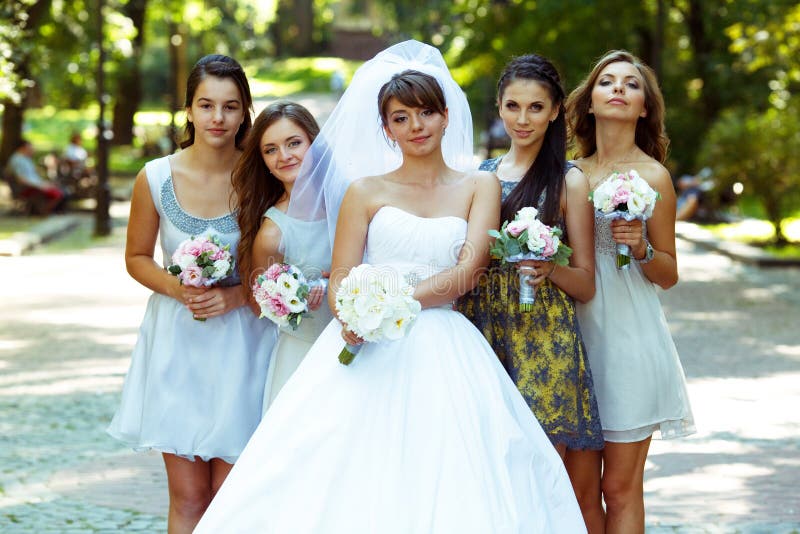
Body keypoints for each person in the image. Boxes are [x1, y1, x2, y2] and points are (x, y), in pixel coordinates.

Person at [194, 41, 586, 533]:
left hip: (446, 345)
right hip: (368, 344)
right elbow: (340, 276)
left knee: (447, 470)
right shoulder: (365, 191)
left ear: (445, 116)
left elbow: (468, 272)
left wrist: (391, 302)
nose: (415, 127)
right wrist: (352, 314)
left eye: (424, 113)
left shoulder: (476, 186)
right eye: (400, 118)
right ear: (386, 128)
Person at [106, 54, 275, 533]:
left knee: (231, 493)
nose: (217, 118)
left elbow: (287, 259)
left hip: (245, 346)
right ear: (189, 110)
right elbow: (137, 257)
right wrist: (177, 289)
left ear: (245, 113)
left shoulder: (260, 176)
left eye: (230, 106)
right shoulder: (155, 177)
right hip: (178, 347)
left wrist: (239, 296)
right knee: (189, 495)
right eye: (206, 105)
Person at [456, 53, 604, 523]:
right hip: (484, 335)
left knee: (546, 478)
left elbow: (586, 284)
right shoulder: (481, 176)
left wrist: (547, 267)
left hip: (545, 340)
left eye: (536, 107)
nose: (523, 119)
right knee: (492, 476)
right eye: (513, 106)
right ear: (499, 107)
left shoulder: (569, 181)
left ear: (557, 110)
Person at [566, 50, 695, 533]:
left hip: (629, 343)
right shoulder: (569, 173)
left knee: (618, 490)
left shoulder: (655, 176)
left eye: (631, 84)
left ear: (644, 107)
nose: (618, 88)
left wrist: (641, 248)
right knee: (579, 493)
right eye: (607, 82)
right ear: (591, 102)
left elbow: (669, 273)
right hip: (573, 341)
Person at [232, 101, 332, 413]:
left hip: (359, 346)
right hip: (302, 356)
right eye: (271, 150)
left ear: (314, 143)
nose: (284, 156)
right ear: (263, 161)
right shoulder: (273, 232)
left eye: (294, 143)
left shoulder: (350, 202)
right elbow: (260, 302)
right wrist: (295, 299)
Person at [4, 138, 66, 215]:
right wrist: (40, 186)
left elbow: (33, 177)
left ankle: (43, 210)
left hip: (33, 185)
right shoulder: (17, 160)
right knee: (56, 194)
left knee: (59, 190)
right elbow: (21, 179)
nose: (32, 150)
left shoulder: (26, 159)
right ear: (23, 147)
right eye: (30, 148)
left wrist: (44, 184)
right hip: (26, 188)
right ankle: (43, 211)